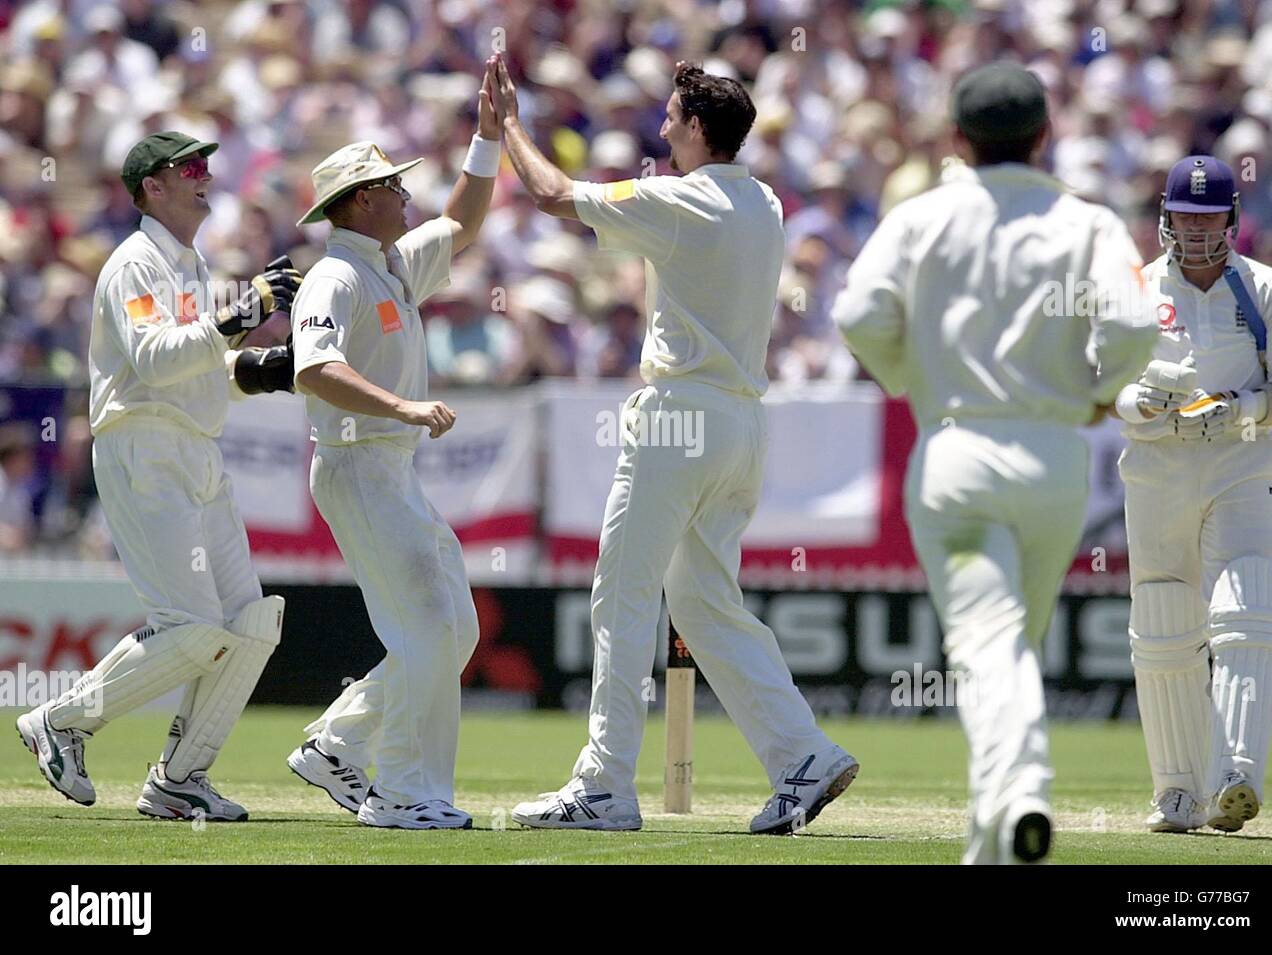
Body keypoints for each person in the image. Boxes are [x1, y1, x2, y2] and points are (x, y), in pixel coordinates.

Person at [491, 55, 858, 834]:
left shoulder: (682, 200)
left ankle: (603, 785)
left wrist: (510, 127)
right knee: (703, 600)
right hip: (742, 424)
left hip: (678, 419)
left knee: (623, 594)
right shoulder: (764, 201)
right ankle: (803, 754)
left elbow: (552, 194)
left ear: (696, 127)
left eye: (670, 118)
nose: (660, 128)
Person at [832, 64, 1156, 863]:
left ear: (956, 139)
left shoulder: (924, 216)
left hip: (956, 451)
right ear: (1046, 136)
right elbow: (1132, 322)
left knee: (988, 644)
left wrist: (912, 376)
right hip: (1053, 457)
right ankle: (995, 834)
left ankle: (1018, 796)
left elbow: (857, 313)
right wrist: (1097, 391)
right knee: (1009, 644)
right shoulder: (1086, 222)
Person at [16, 131, 299, 820]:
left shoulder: (190, 264)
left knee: (253, 622)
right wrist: (242, 314)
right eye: (189, 168)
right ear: (151, 188)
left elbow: (194, 365)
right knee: (195, 628)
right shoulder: (133, 262)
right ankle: (61, 720)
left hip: (197, 451)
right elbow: (154, 360)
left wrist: (260, 370)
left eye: (206, 166)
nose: (206, 177)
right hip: (143, 449)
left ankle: (180, 777)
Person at [284, 67, 498, 830]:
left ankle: (337, 741)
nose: (407, 196)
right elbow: (315, 369)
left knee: (456, 627)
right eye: (394, 187)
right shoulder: (336, 275)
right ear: (361, 200)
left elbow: (465, 221)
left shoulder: (393, 261)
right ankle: (404, 792)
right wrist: (402, 403)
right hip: (356, 463)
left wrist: (490, 136)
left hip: (392, 468)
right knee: (426, 628)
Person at [1112, 155, 1272, 835]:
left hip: (1239, 462)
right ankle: (1178, 794)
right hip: (1157, 468)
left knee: (1249, 608)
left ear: (1231, 219)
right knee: (1163, 619)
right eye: (1185, 216)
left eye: (1208, 215)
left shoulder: (1268, 289)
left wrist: (1242, 409)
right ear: (1166, 217)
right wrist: (1139, 403)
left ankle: (1236, 775)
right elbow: (1103, 388)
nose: (1195, 229)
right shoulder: (1131, 290)